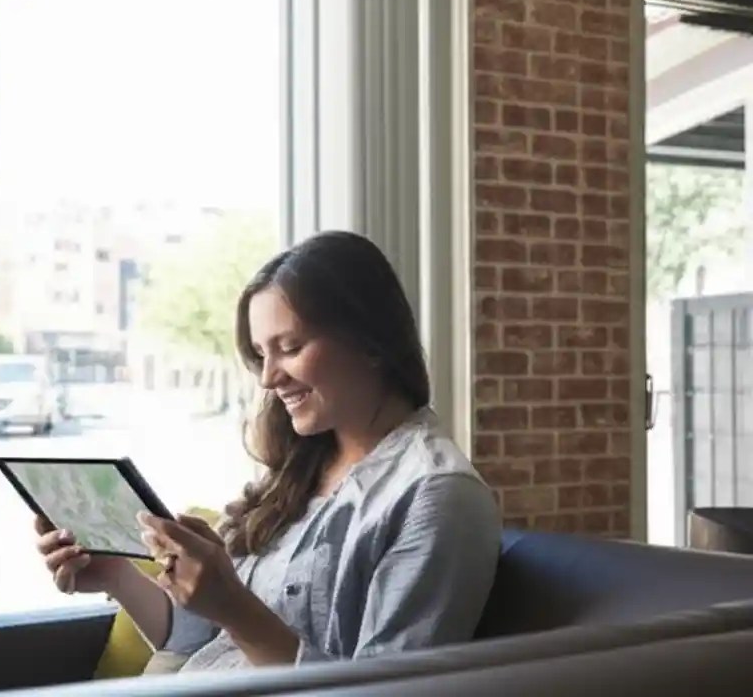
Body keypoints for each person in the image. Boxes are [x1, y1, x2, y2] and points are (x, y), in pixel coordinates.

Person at [34, 231, 501, 670]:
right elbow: (202, 643)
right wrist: (115, 575)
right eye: (261, 354)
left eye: (290, 347)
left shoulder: (439, 495)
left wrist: (237, 610)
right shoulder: (298, 469)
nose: (268, 377)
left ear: (371, 342)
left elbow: (385, 692)